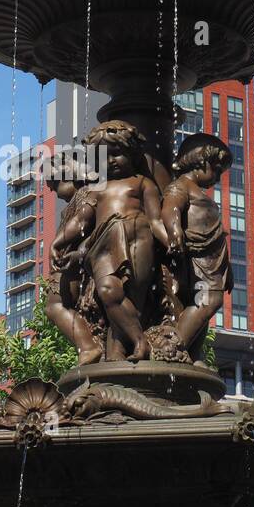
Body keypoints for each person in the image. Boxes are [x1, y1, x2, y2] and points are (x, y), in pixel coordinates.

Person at [80, 120, 167, 361]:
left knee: (133, 297)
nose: (110, 162)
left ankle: (116, 355)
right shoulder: (97, 188)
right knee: (109, 292)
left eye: (116, 154)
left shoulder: (142, 183)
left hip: (138, 238)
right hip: (102, 245)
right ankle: (141, 341)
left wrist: (171, 244)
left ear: (132, 152)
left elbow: (156, 220)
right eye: (103, 157)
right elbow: (81, 221)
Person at [162, 132, 233, 364]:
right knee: (208, 300)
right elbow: (170, 210)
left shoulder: (197, 191)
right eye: (217, 170)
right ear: (201, 161)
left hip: (211, 259)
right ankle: (173, 345)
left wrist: (227, 269)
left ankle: (193, 351)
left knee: (204, 303)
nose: (218, 178)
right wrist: (174, 233)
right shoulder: (181, 186)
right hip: (195, 258)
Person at [44, 148, 103, 364]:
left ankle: (88, 346)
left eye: (55, 184)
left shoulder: (88, 194)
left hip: (73, 267)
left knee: (54, 306)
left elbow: (82, 221)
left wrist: (56, 243)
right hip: (71, 264)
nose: (55, 193)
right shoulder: (81, 197)